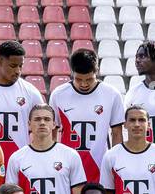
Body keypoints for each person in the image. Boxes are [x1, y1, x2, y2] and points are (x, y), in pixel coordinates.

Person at [49, 47, 125, 182]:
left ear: (97, 71)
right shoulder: (59, 94)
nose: (84, 84)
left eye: (89, 79)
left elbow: (117, 133)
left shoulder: (111, 94)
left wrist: (116, 164)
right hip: (68, 166)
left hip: (100, 166)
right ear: (72, 73)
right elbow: (52, 133)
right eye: (78, 79)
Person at [0, 40, 46, 165]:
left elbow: (43, 129)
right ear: (0, 61)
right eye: (13, 66)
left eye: (20, 66)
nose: (17, 71)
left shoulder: (31, 92)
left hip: (22, 161)